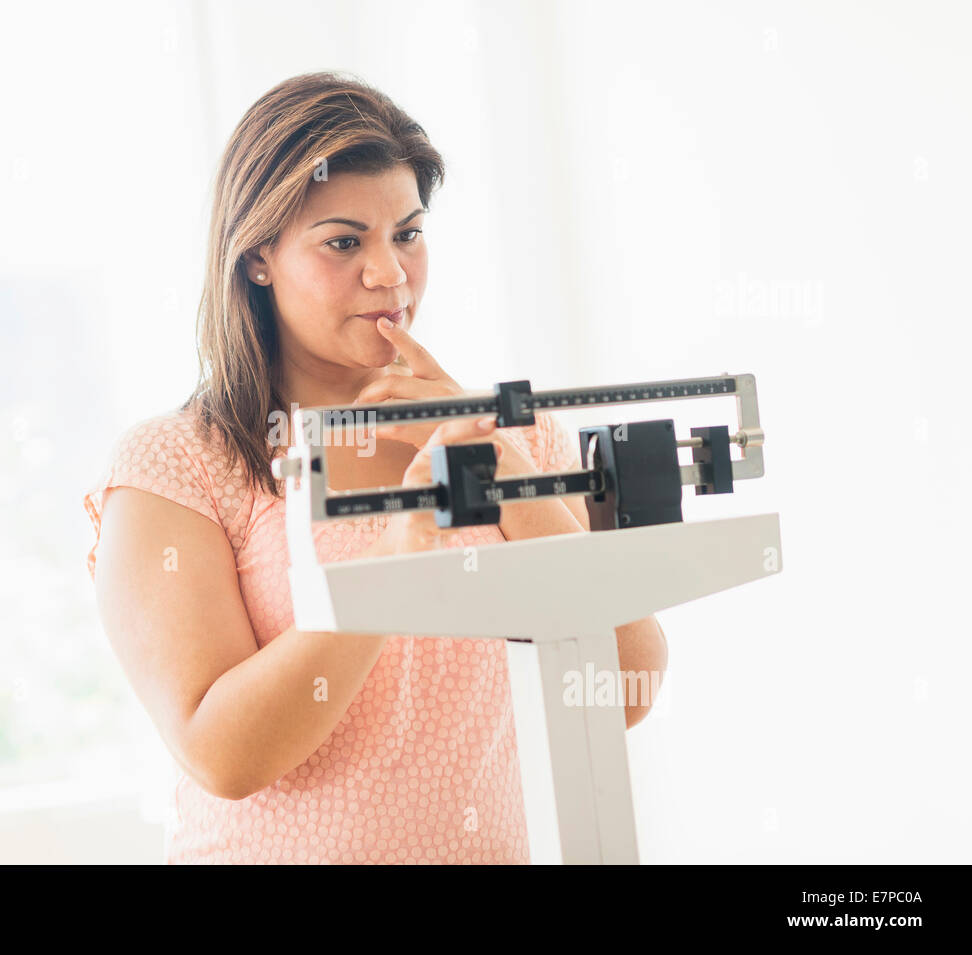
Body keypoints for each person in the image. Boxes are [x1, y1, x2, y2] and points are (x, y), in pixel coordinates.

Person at [83, 71, 668, 864]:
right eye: (344, 241)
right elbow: (223, 753)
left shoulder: (521, 438)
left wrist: (499, 463)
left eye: (408, 233)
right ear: (257, 256)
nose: (389, 273)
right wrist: (398, 554)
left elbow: (624, 687)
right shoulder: (178, 467)